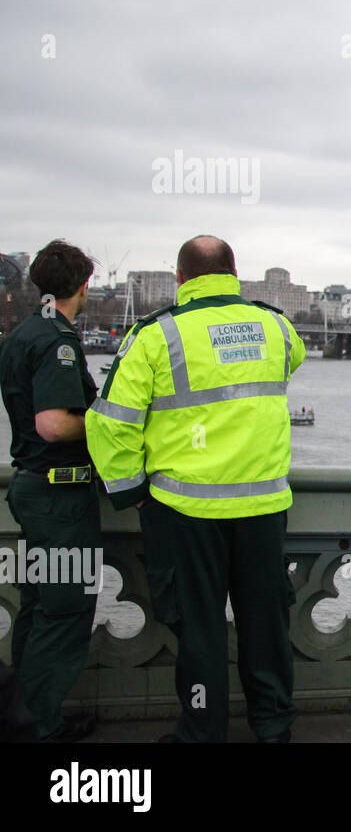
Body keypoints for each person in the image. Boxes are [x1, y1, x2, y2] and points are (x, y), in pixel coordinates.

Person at [86, 235, 304, 742]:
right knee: (265, 624)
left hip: (185, 511)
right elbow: (288, 364)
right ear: (234, 273)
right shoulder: (276, 326)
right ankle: (273, 727)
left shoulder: (154, 337)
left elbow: (110, 425)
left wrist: (130, 491)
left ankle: (202, 730)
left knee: (200, 627)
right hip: (263, 506)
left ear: (180, 279)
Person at [0, 240, 100, 741]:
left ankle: (21, 710)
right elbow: (55, 425)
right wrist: (106, 420)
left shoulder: (22, 334)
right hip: (60, 495)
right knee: (65, 608)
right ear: (83, 286)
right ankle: (36, 725)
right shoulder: (59, 342)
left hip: (33, 488)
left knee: (40, 604)